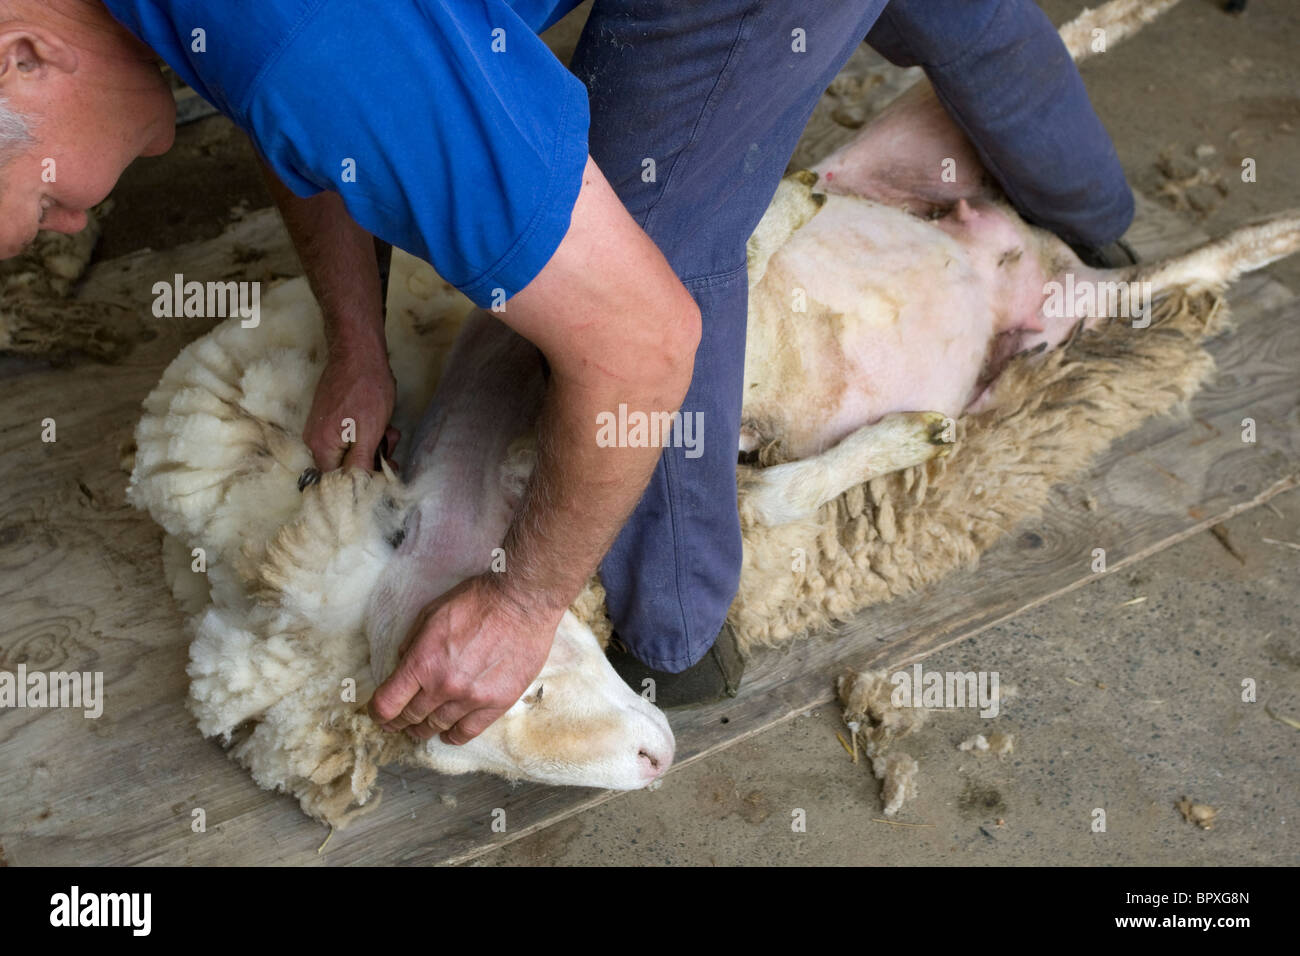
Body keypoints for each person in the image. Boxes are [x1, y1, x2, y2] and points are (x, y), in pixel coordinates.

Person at [0, 0, 1135, 742]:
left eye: (40, 205)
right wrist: (356, 334)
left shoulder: (312, 45)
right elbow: (280, 102)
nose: (66, 228)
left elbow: (640, 340)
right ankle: (1092, 205)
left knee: (651, 247)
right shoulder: (240, 34)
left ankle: (675, 627)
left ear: (24, 51)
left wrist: (523, 596)